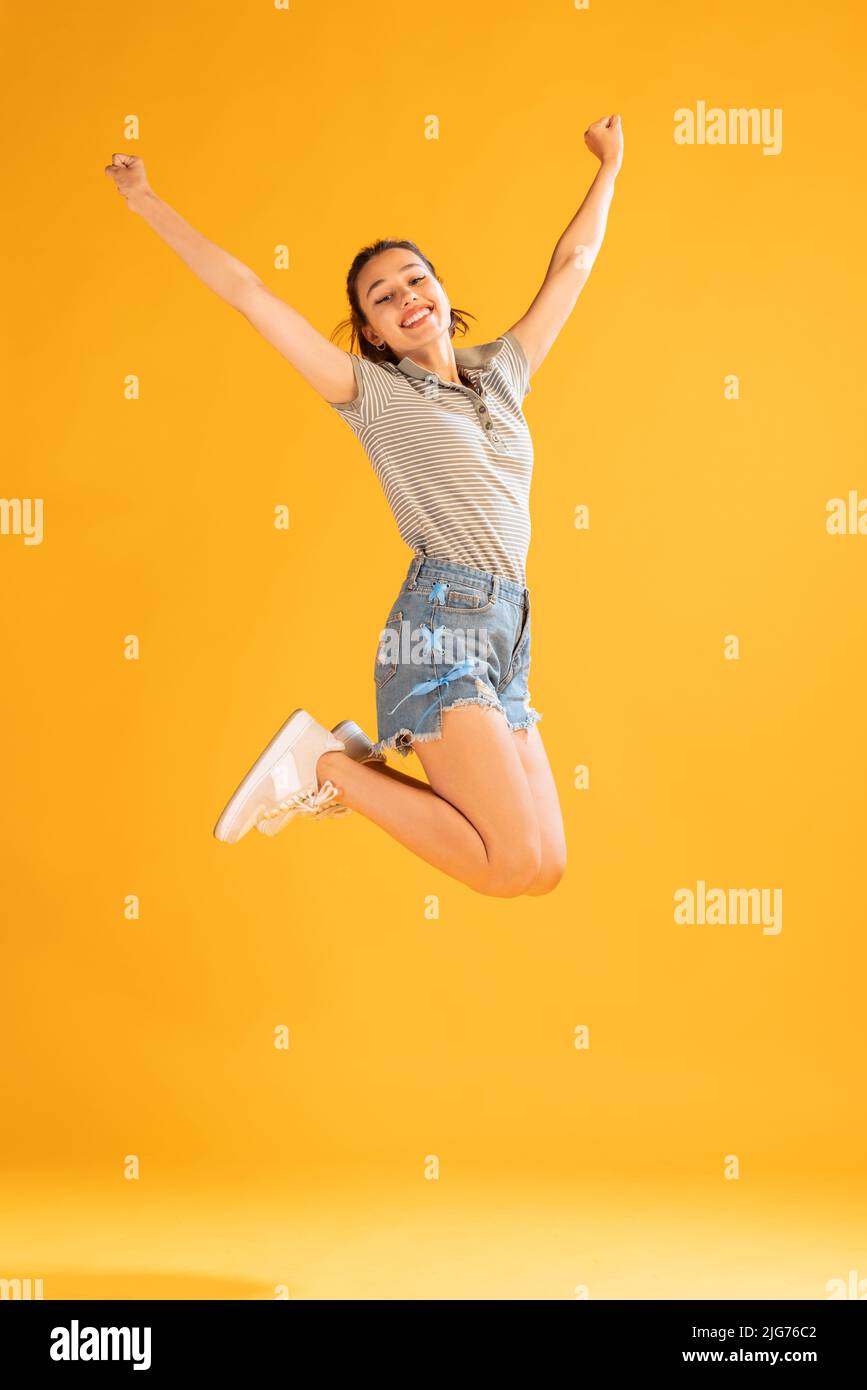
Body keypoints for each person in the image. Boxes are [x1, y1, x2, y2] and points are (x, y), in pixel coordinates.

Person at [105, 114, 623, 898]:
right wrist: (145, 201)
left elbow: (574, 263)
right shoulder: (372, 393)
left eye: (416, 279)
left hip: (507, 635)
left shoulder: (502, 373)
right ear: (373, 334)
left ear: (441, 292)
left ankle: (341, 765)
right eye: (382, 298)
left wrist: (609, 165)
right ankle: (326, 766)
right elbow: (250, 295)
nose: (405, 297)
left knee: (543, 868)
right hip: (439, 624)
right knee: (506, 863)